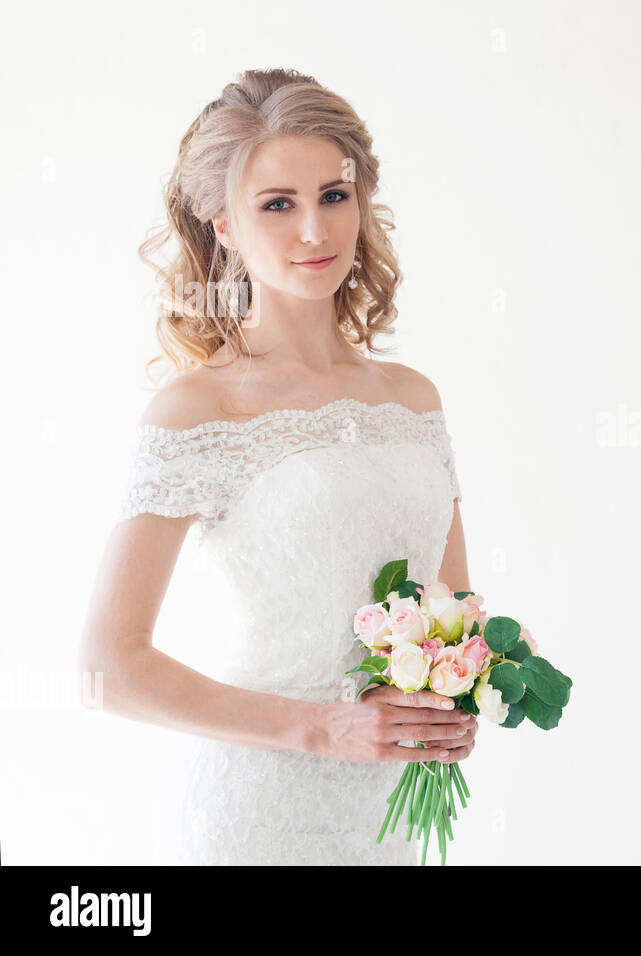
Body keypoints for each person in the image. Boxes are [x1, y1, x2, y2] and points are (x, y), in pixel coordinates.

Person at [77, 68, 476, 864]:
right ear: (223, 224)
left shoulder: (413, 398)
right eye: (277, 204)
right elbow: (105, 669)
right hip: (259, 813)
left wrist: (460, 690)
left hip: (397, 810)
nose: (314, 232)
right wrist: (321, 729)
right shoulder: (199, 409)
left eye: (334, 195)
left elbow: (454, 608)